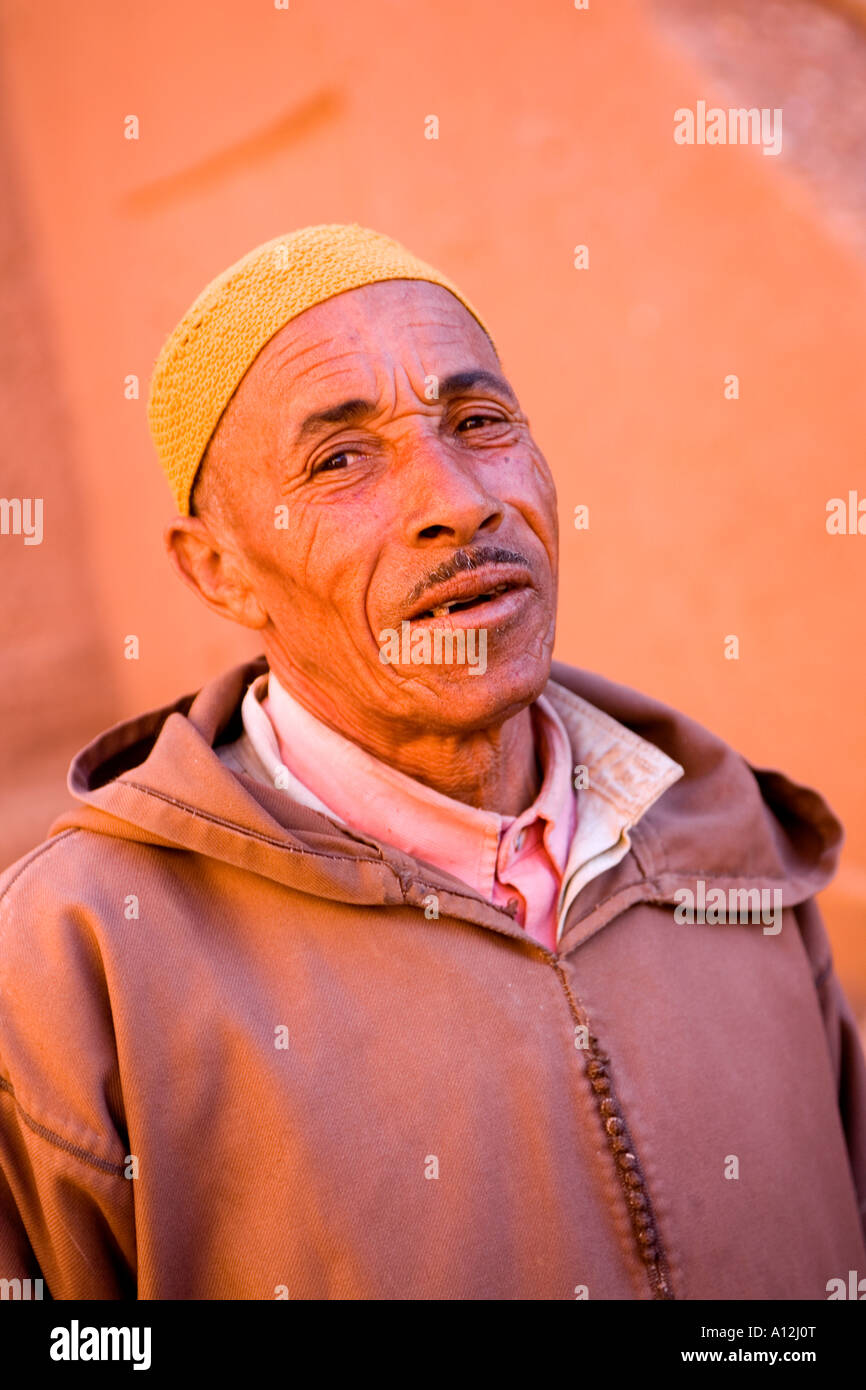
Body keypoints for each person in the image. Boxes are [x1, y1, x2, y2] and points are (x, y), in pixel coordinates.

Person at [1, 224, 864, 1300]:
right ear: (220, 573)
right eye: (339, 459)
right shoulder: (73, 966)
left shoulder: (724, 839)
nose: (459, 500)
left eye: (478, 421)